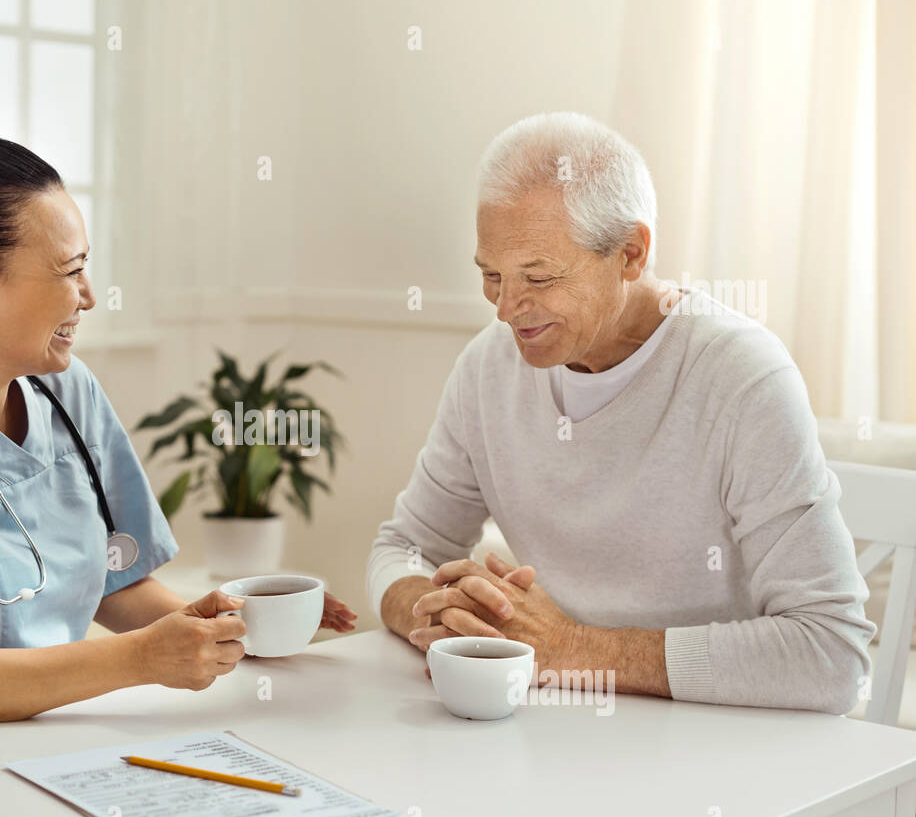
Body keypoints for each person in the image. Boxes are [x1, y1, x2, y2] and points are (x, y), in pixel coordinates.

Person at [0, 137, 356, 753]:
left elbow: (116, 580)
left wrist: (236, 624)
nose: (87, 295)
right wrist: (137, 660)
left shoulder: (65, 390)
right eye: (69, 271)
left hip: (29, 751)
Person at [367, 112, 874, 715]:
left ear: (631, 253)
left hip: (720, 750)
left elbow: (832, 656)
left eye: (539, 276)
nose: (506, 310)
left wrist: (573, 649)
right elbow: (405, 546)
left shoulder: (742, 377)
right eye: (491, 276)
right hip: (554, 731)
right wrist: (433, 612)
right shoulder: (487, 368)